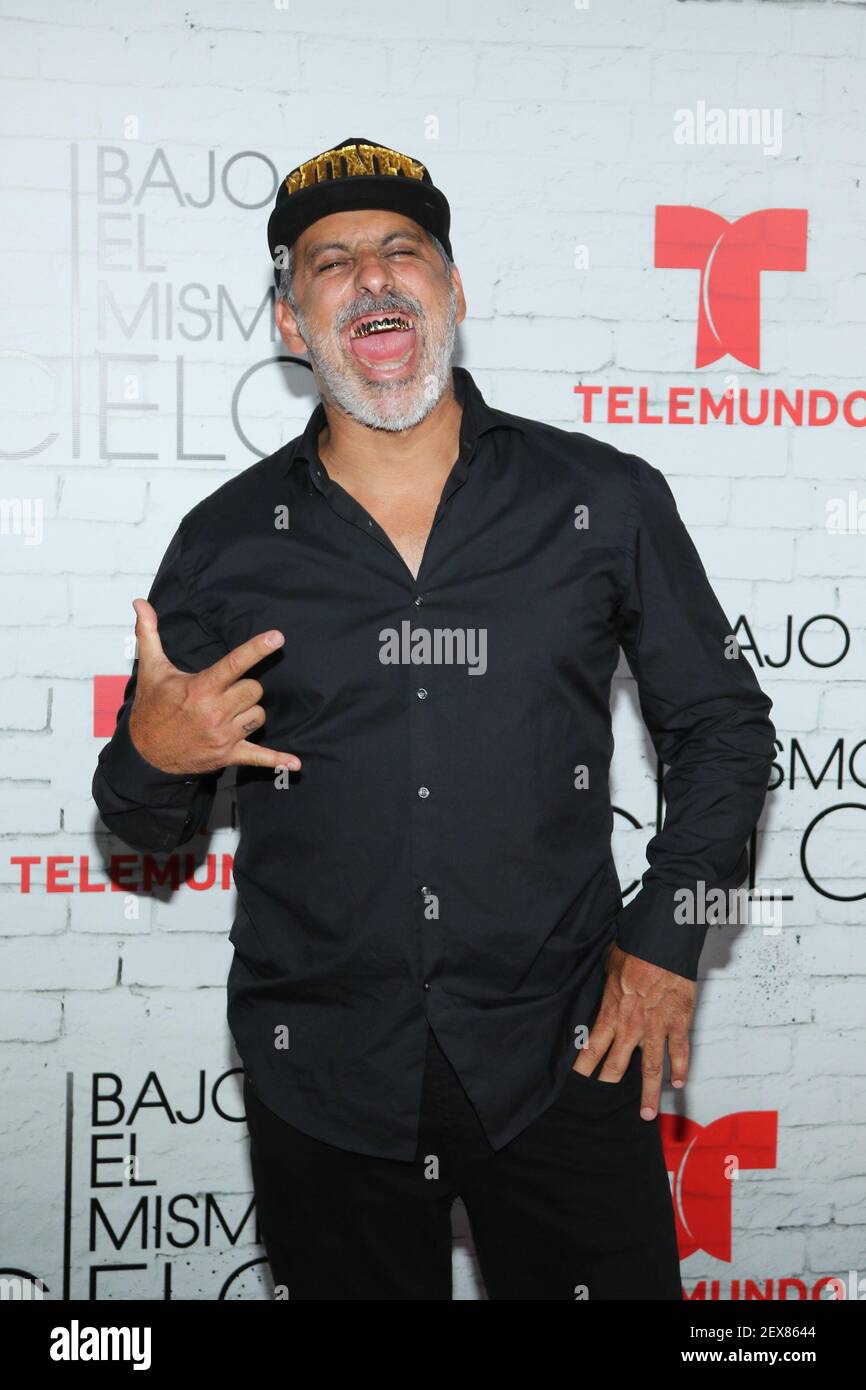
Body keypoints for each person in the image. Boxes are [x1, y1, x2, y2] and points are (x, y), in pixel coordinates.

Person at [92, 137, 776, 1300]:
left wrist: (665, 943)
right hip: (324, 1075)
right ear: (292, 324)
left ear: (452, 293)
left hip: (567, 1049)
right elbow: (141, 813)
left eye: (401, 250)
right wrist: (150, 757)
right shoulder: (224, 542)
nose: (371, 275)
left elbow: (723, 724)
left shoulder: (601, 498)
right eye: (330, 261)